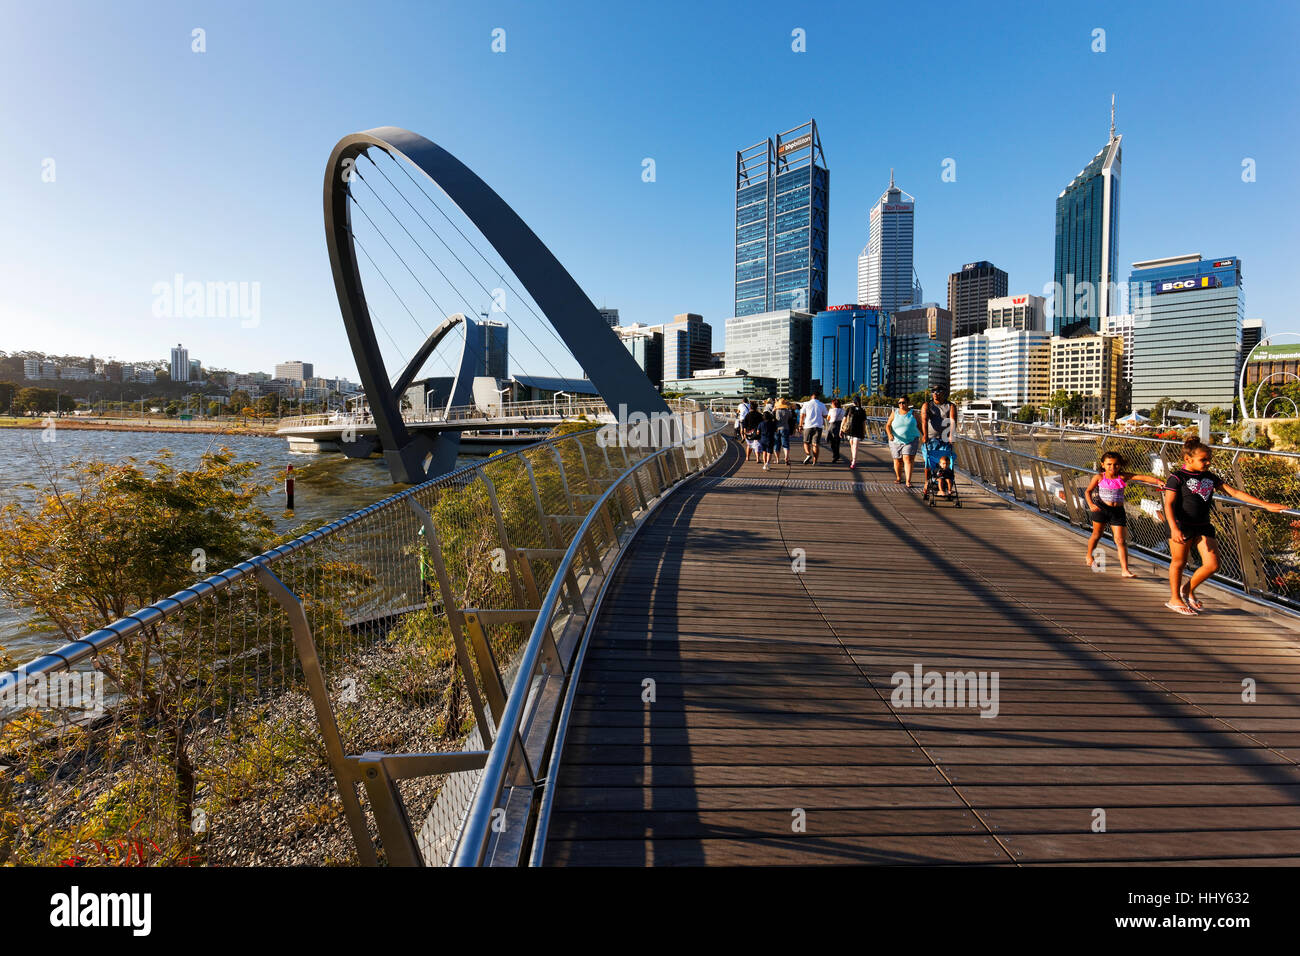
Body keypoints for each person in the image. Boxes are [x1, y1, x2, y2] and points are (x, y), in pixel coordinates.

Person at [1163, 437, 1286, 615]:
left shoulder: (1210, 477)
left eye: (1209, 459)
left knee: (1212, 565)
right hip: (1182, 525)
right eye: (1203, 459)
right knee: (1179, 562)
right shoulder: (1177, 478)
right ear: (1188, 459)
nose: (1208, 462)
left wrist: (1264, 504)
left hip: (1203, 525)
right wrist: (1174, 528)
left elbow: (1234, 492)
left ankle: (1187, 589)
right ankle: (1175, 598)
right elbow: (1169, 505)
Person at [1084, 451, 1163, 577]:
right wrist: (1091, 505)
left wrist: (1157, 481)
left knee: (1120, 540)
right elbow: (1088, 491)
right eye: (1109, 464)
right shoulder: (1099, 477)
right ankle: (1089, 556)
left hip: (1117, 512)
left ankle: (1125, 570)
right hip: (1101, 509)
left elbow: (1141, 477)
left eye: (1116, 465)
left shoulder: (1122, 477)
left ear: (1120, 465)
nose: (1113, 467)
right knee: (1097, 535)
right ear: (1103, 465)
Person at [919, 386, 957, 499]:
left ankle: (946, 486)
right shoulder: (927, 405)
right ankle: (927, 482)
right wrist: (925, 435)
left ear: (944, 393)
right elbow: (924, 419)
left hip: (945, 439)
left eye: (938, 391)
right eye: (933, 392)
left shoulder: (950, 406)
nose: (935, 394)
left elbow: (953, 420)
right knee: (929, 462)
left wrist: (952, 436)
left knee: (946, 463)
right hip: (931, 439)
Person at [886, 397, 920, 486]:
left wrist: (925, 436)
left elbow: (920, 425)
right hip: (895, 440)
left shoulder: (913, 413)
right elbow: (888, 425)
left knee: (907, 459)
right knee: (897, 460)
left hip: (911, 440)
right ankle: (898, 477)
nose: (901, 404)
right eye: (899, 403)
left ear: (908, 403)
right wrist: (889, 434)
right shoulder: (894, 413)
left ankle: (908, 481)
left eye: (903, 402)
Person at [798, 392, 828, 465]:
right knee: (815, 444)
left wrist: (800, 425)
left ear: (811, 397)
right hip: (818, 426)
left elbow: (802, 416)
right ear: (818, 397)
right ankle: (815, 461)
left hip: (808, 425)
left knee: (806, 442)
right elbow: (825, 416)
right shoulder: (822, 405)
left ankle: (808, 455)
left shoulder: (806, 404)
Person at [841, 396, 867, 469]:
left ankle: (853, 461)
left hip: (850, 430)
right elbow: (864, 423)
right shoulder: (862, 411)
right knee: (854, 445)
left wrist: (841, 429)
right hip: (858, 430)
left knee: (853, 445)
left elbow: (844, 420)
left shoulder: (849, 409)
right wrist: (864, 432)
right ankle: (853, 459)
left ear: (853, 402)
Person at [772, 398, 794, 465]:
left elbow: (772, 417)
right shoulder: (788, 411)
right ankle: (786, 458)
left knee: (776, 444)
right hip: (785, 428)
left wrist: (774, 409)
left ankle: (778, 460)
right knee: (785, 444)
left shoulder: (776, 411)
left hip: (776, 429)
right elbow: (791, 417)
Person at [826, 398, 845, 464]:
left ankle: (835, 455)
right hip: (839, 426)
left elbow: (828, 418)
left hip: (832, 426)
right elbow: (844, 419)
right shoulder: (842, 410)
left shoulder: (831, 410)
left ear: (834, 404)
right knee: (837, 442)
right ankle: (836, 455)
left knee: (832, 442)